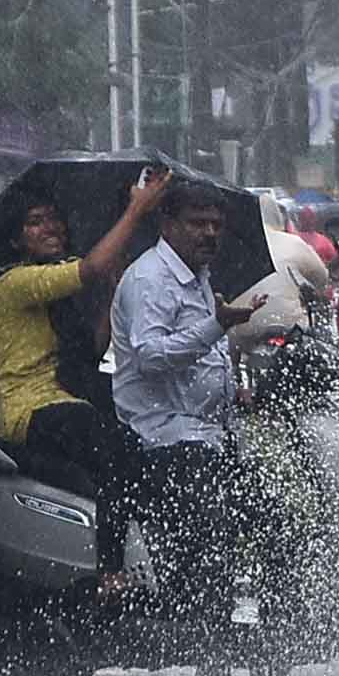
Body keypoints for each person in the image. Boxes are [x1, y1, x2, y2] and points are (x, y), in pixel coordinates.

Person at [0, 168, 171, 575]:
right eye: (35, 222)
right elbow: (91, 268)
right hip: (33, 410)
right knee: (116, 450)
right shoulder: (15, 283)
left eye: (53, 218)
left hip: (62, 400)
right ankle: (111, 572)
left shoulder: (53, 297)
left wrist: (111, 301)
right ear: (16, 239)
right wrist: (135, 210)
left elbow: (89, 355)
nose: (50, 228)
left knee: (143, 443)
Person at [110, 187, 276, 634]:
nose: (208, 233)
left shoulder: (198, 275)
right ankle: (205, 641)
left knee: (277, 514)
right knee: (212, 532)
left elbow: (204, 360)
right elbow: (150, 356)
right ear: (167, 224)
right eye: (197, 222)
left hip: (209, 434)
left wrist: (235, 392)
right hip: (165, 438)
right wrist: (216, 325)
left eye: (216, 225)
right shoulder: (150, 280)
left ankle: (276, 640)